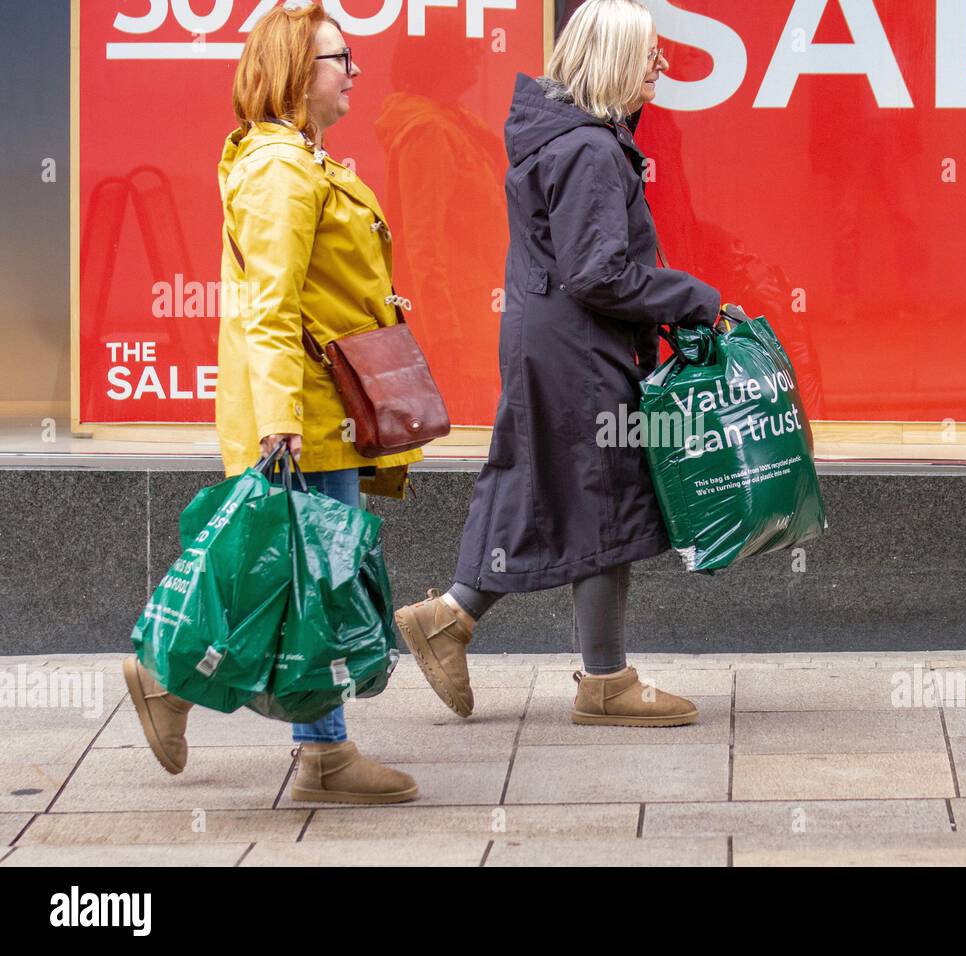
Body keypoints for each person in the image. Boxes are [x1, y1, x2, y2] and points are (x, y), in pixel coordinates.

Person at [121, 0, 422, 803]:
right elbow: (271, 307)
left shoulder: (299, 159)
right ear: (296, 74)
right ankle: (198, 691)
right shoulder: (283, 170)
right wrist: (283, 418)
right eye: (338, 58)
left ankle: (206, 698)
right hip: (307, 415)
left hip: (321, 408)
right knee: (307, 580)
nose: (354, 71)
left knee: (296, 581)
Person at [395, 0, 721, 727]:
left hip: (554, 342)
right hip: (580, 348)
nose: (661, 64)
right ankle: (605, 682)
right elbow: (598, 273)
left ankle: (451, 617)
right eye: (648, 54)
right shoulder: (590, 150)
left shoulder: (570, 138)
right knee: (607, 491)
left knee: (543, 482)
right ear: (612, 62)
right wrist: (692, 297)